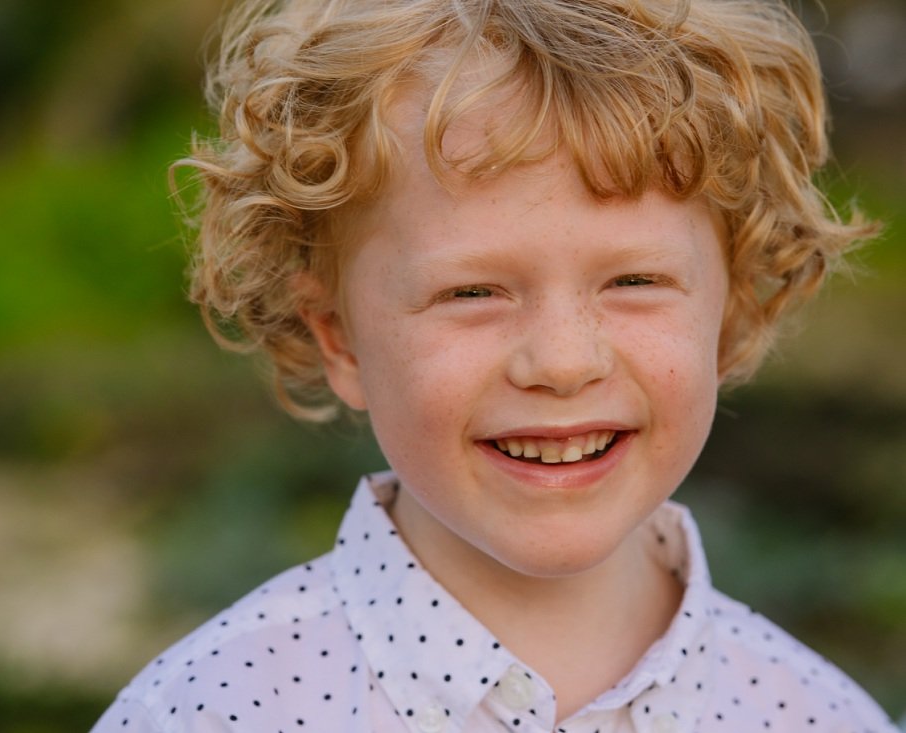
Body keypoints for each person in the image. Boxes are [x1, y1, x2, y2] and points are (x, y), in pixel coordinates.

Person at [92, 0, 898, 730]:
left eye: (635, 281)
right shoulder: (207, 711)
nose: (562, 361)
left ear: (731, 310)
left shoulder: (822, 716)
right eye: (472, 290)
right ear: (339, 338)